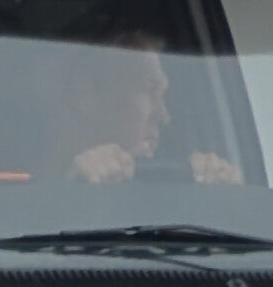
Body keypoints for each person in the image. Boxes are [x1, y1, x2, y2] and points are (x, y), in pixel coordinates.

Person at [63, 35, 243, 185]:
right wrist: (75, 191)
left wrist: (225, 197)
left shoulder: (182, 190)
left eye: (162, 95)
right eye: (149, 90)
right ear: (87, 95)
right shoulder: (38, 202)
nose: (164, 116)